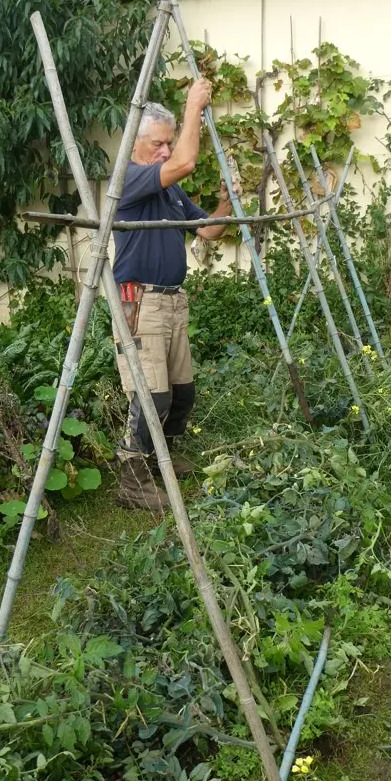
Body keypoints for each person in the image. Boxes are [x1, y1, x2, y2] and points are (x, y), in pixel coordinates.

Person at [112, 77, 233, 510]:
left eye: (168, 144)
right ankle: (132, 477)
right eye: (159, 144)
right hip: (139, 302)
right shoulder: (129, 178)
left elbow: (211, 231)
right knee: (151, 395)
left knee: (182, 394)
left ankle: (160, 458)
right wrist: (193, 108)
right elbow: (183, 161)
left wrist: (226, 202)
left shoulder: (171, 192)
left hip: (172, 300)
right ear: (135, 145)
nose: (165, 152)